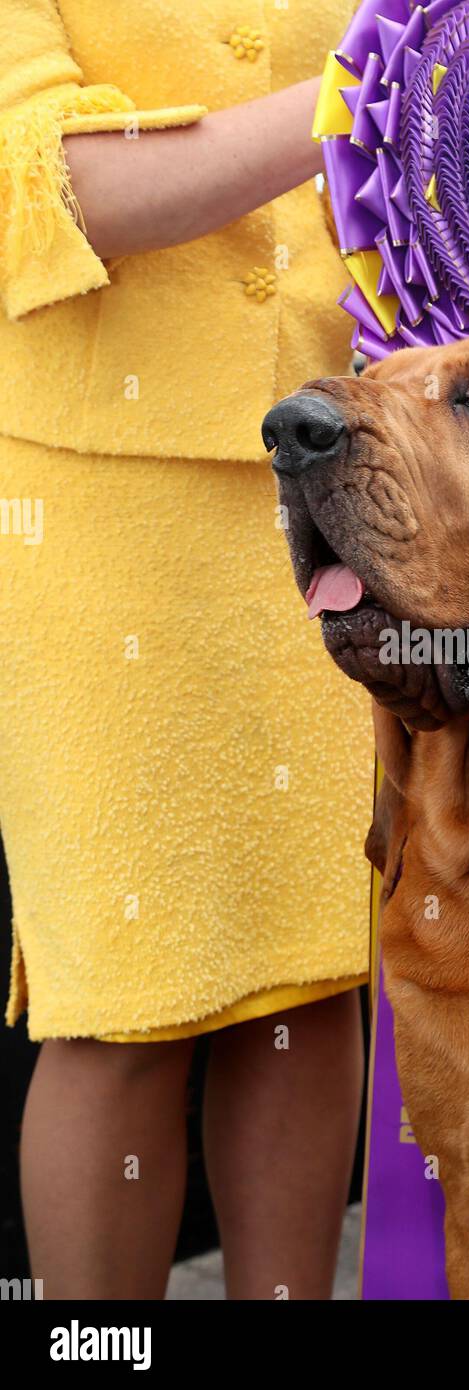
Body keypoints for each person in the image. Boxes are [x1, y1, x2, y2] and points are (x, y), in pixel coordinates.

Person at [0, 0, 372, 1300]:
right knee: (124, 997)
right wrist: (361, 93)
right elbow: (56, 187)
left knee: (311, 974)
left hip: (338, 464)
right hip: (97, 497)